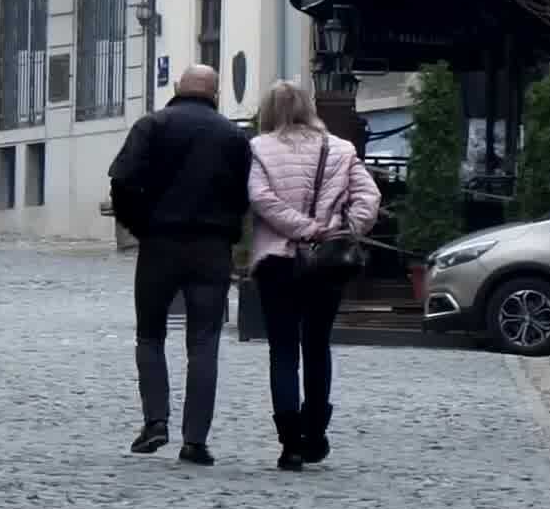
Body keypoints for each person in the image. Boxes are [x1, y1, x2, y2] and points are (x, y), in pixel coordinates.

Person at [106, 64, 252, 462]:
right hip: (211, 248)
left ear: (176, 87)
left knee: (150, 336)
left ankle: (155, 421)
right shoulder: (233, 136)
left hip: (159, 244)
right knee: (204, 343)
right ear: (216, 93)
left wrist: (137, 223)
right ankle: (195, 439)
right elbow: (244, 194)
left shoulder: (152, 126)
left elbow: (120, 179)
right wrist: (229, 231)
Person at [242, 81, 381, 471]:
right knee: (317, 345)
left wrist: (303, 228)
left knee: (283, 350)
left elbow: (262, 200)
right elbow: (369, 199)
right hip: (326, 262)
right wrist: (342, 229)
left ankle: (289, 443)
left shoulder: (256, 149)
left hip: (277, 262)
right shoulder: (340, 148)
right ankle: (316, 431)